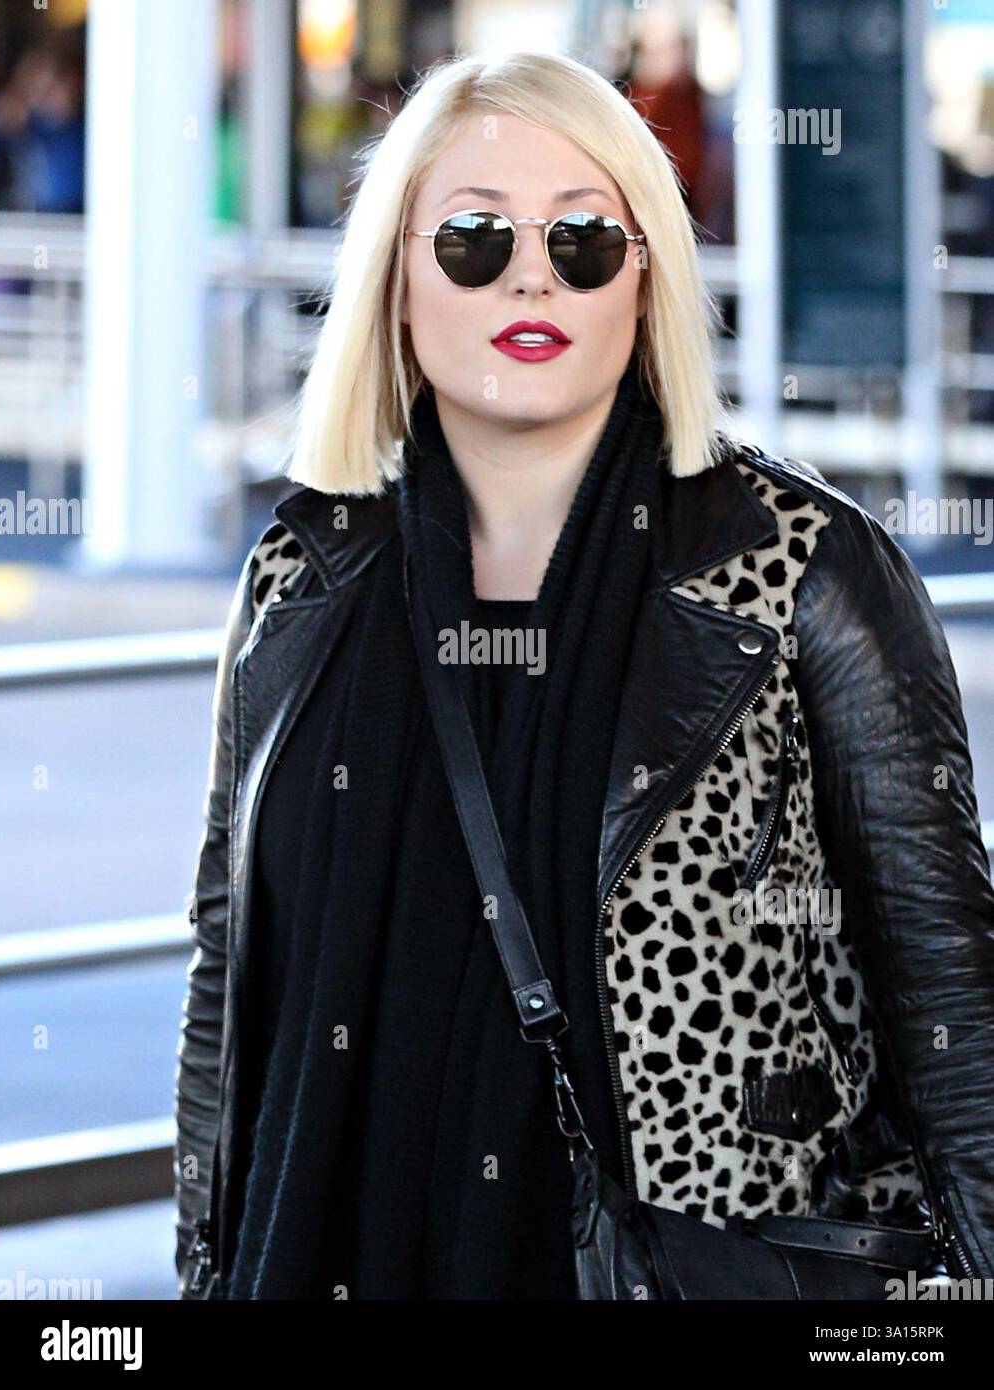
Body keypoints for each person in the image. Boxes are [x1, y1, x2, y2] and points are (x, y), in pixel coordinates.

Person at [173, 50, 994, 1301]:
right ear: (393, 281)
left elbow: (957, 1016)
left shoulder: (808, 575)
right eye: (469, 237)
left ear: (643, 276)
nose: (527, 273)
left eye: (582, 240)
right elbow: (229, 994)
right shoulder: (302, 580)